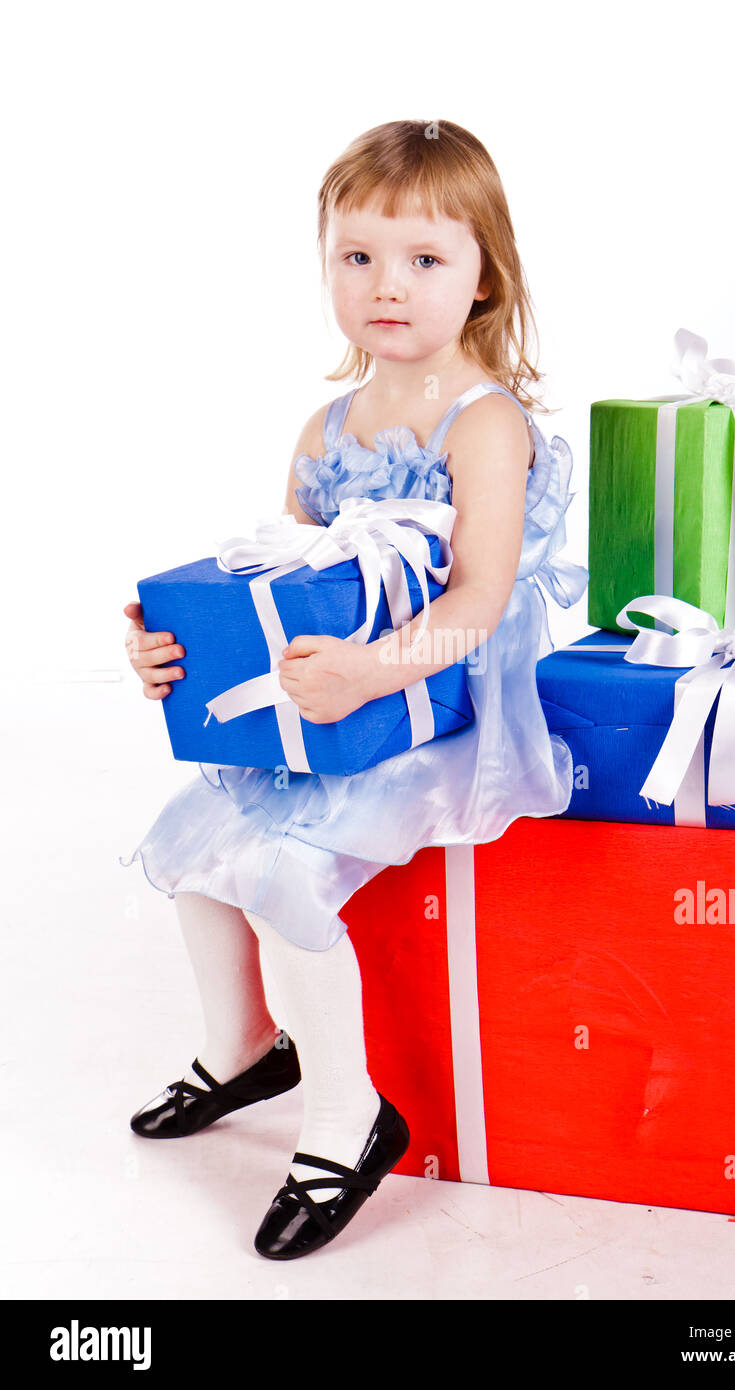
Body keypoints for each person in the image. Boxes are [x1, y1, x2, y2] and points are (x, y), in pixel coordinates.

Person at [119, 118, 588, 1262]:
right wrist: (179, 649)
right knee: (185, 844)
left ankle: (350, 1117)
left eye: (425, 259)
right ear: (325, 263)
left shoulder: (482, 424)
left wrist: (374, 670)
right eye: (358, 256)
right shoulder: (324, 428)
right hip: (339, 700)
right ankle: (247, 1048)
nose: (387, 285)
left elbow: (476, 598)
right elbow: (287, 589)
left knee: (278, 867)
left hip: (440, 702)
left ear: (485, 277)